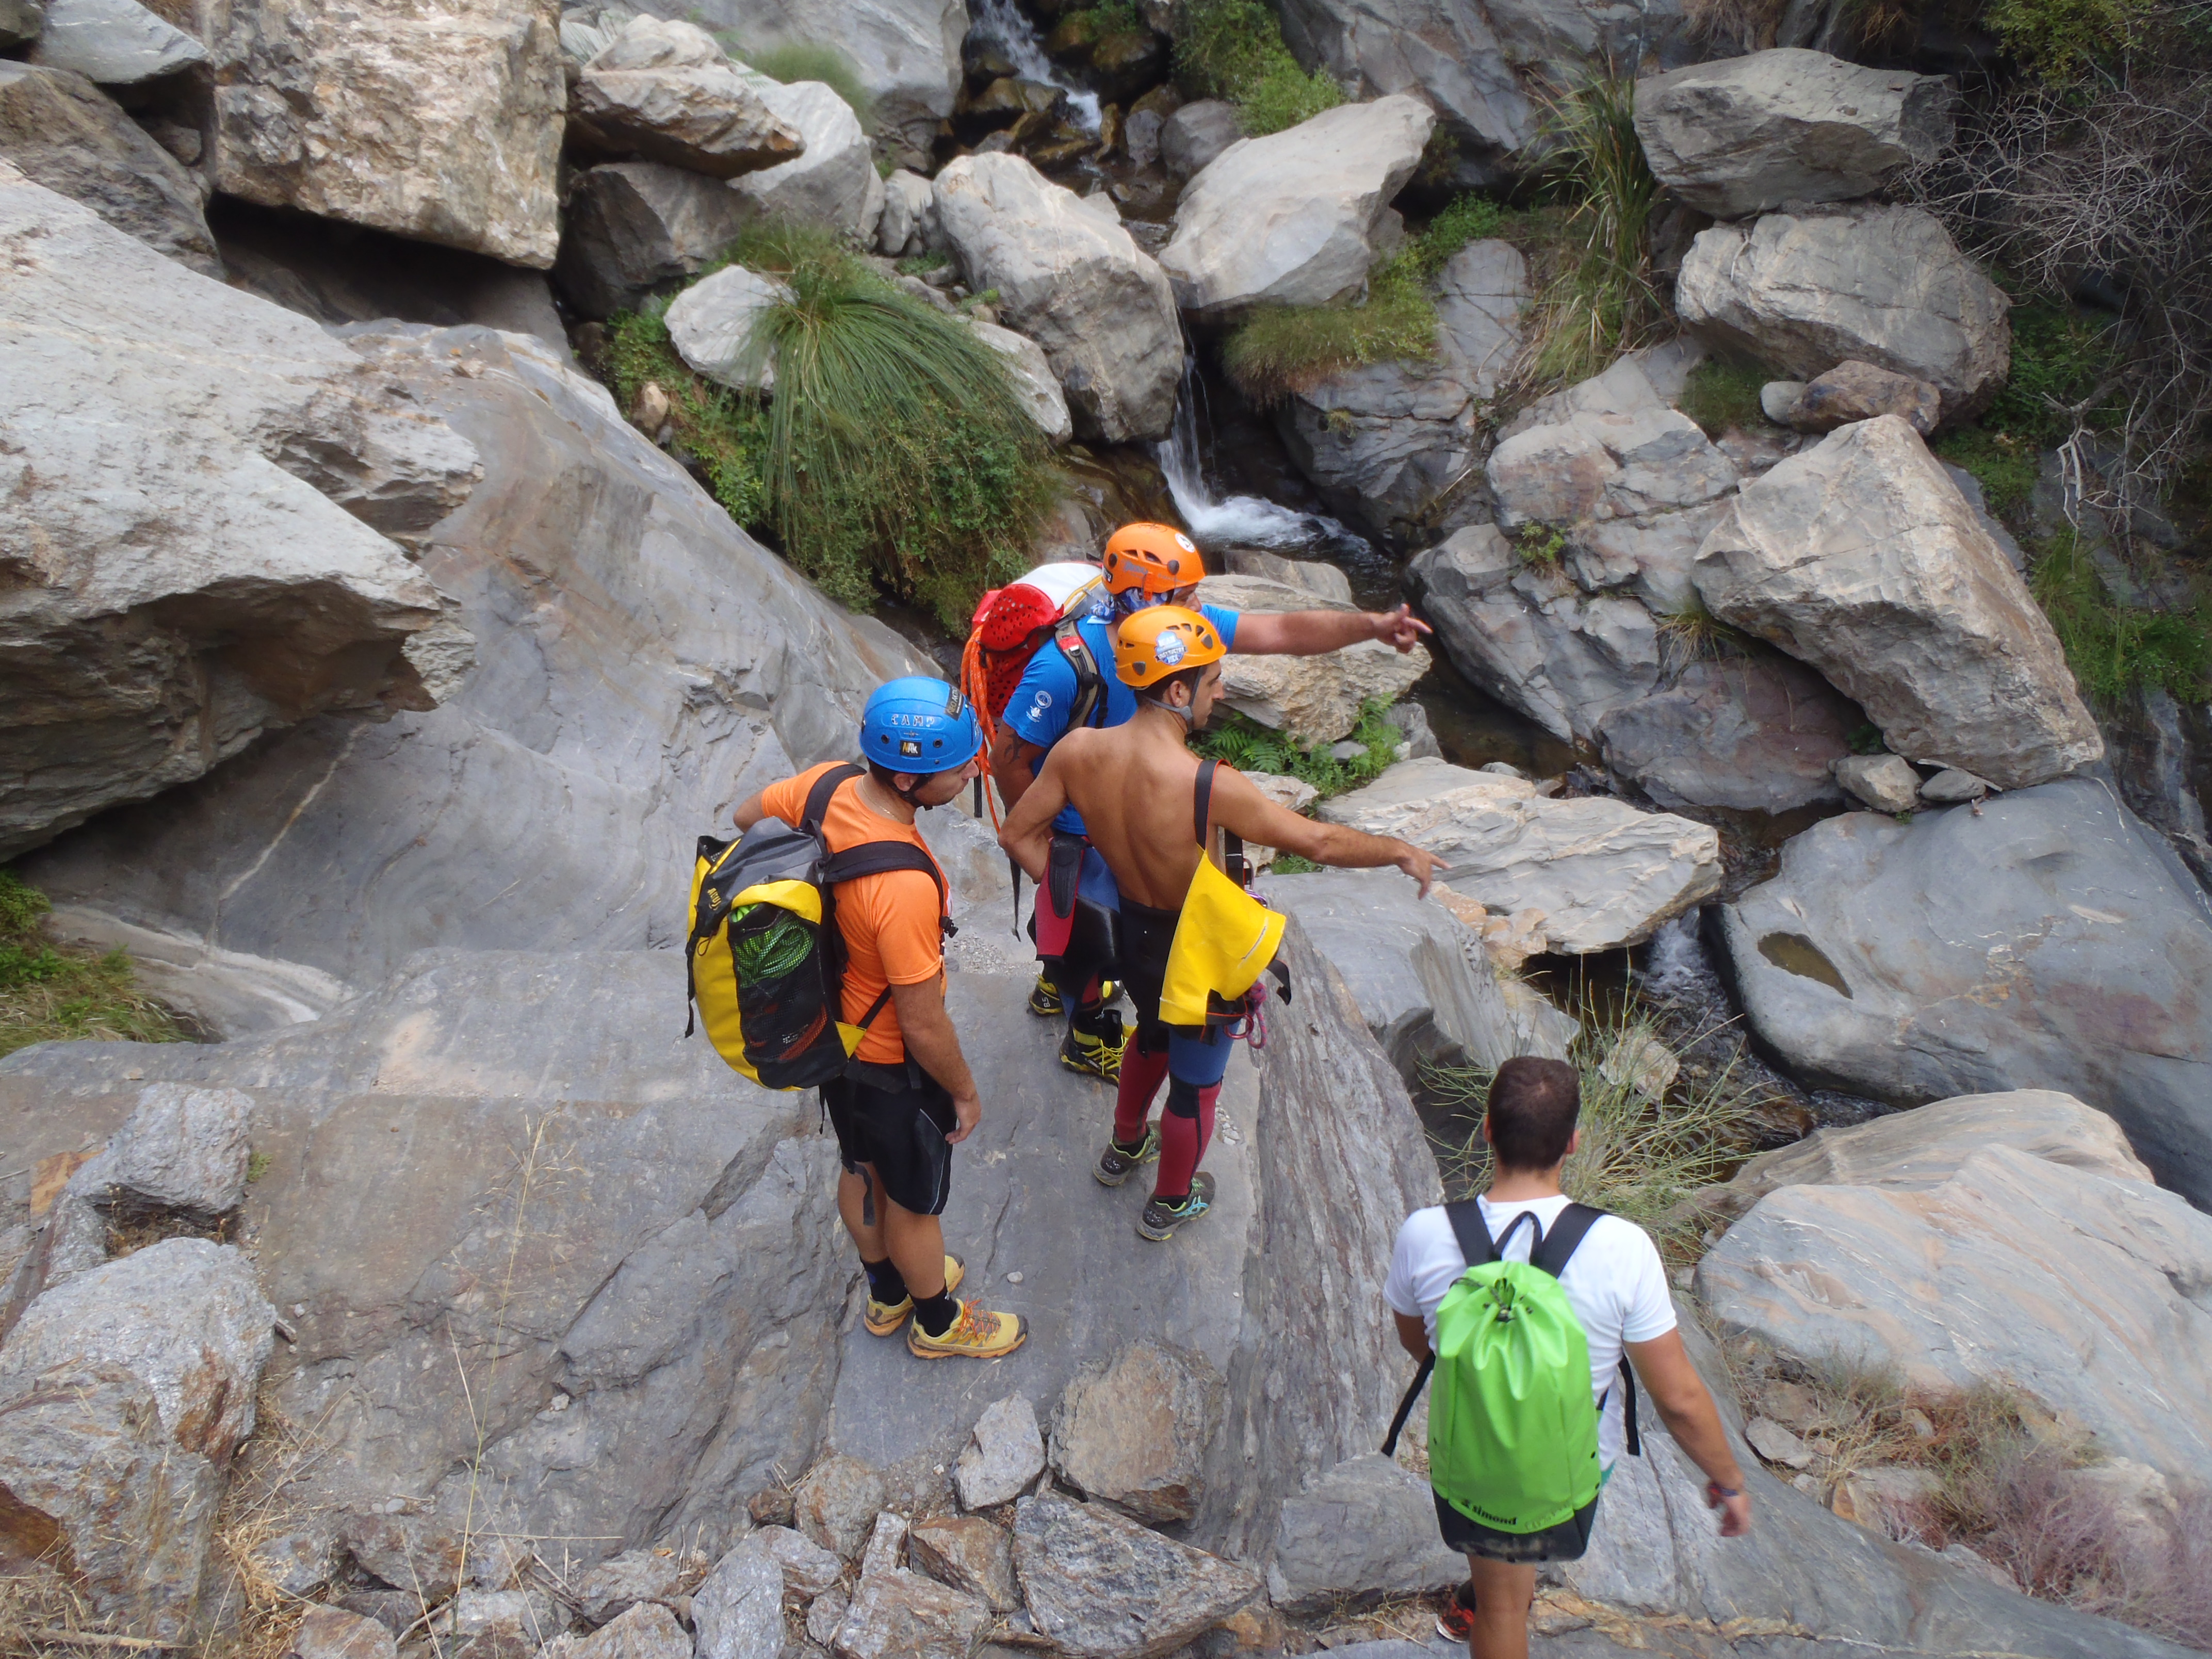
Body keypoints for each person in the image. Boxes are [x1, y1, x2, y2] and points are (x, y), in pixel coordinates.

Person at [1000, 607, 1445, 1241]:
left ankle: (1124, 1146)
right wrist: (1399, 850)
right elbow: (1316, 842)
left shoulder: (1077, 751)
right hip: (1198, 950)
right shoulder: (1207, 783)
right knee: (1196, 1085)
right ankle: (1170, 1203)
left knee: (1149, 1035)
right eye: (1213, 683)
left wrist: (1082, 895)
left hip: (1130, 932)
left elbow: (1017, 832)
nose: (1223, 691)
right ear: (1178, 691)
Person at [989, 523, 1431, 1084]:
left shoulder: (1175, 633)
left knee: (1091, 934)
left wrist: (1372, 625)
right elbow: (1009, 759)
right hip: (1079, 829)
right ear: (1142, 597)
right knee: (1086, 923)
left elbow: (1282, 633)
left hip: (1125, 816)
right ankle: (1085, 1034)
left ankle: (1061, 972)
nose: (1199, 604)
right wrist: (1046, 846)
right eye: (1185, 594)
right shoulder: (1063, 666)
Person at [1384, 1057, 1752, 1657]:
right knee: (1510, 1591)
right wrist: (1728, 1481)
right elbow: (1679, 1398)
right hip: (1575, 1469)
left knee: (1499, 1597)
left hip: (1473, 1457)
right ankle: (1501, 1586)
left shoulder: (1424, 1234)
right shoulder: (1623, 1247)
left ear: (1486, 1131)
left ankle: (1493, 1589)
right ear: (1574, 1142)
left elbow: (1418, 1345)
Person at [729, 677, 1025, 1361]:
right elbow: (923, 1025)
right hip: (891, 1059)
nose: (968, 774)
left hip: (833, 1038)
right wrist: (965, 1092)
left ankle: (886, 1292)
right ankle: (938, 1320)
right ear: (905, 776)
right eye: (955, 768)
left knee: (860, 1166)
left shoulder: (825, 787)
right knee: (913, 1202)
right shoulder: (902, 887)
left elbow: (750, 818)